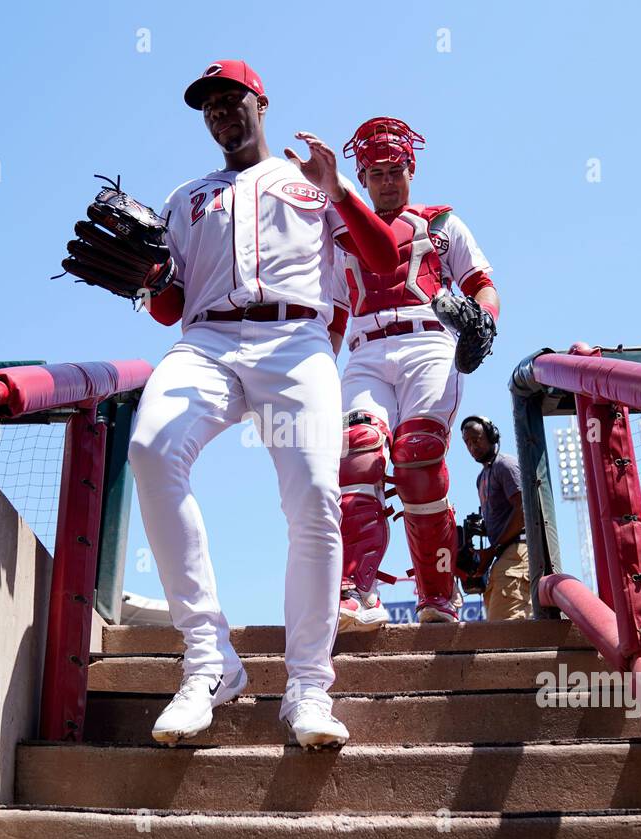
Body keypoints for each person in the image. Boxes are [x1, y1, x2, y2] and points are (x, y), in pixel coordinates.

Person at [125, 61, 398, 748]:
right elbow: (170, 308)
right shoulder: (185, 197)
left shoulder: (308, 180)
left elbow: (387, 260)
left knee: (313, 495)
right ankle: (209, 662)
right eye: (208, 103)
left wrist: (338, 188)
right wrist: (146, 278)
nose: (220, 110)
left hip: (294, 338)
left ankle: (308, 686)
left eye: (231, 97)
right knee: (151, 449)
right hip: (209, 339)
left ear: (261, 102)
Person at [333, 117, 500, 630]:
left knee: (418, 457)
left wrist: (485, 324)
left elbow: (482, 283)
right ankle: (355, 590)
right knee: (359, 453)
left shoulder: (442, 222)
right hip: (363, 350)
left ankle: (437, 595)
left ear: (412, 167)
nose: (387, 180)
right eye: (376, 172)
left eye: (396, 169)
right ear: (360, 177)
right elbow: (335, 315)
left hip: (430, 340)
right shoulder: (337, 232)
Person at [460, 415, 531, 620]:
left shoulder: (505, 465)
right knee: (496, 626)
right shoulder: (481, 478)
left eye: (477, 439)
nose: (473, 446)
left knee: (505, 630)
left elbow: (523, 511)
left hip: (517, 554)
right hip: (503, 557)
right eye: (467, 443)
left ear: (492, 436)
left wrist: (491, 550)